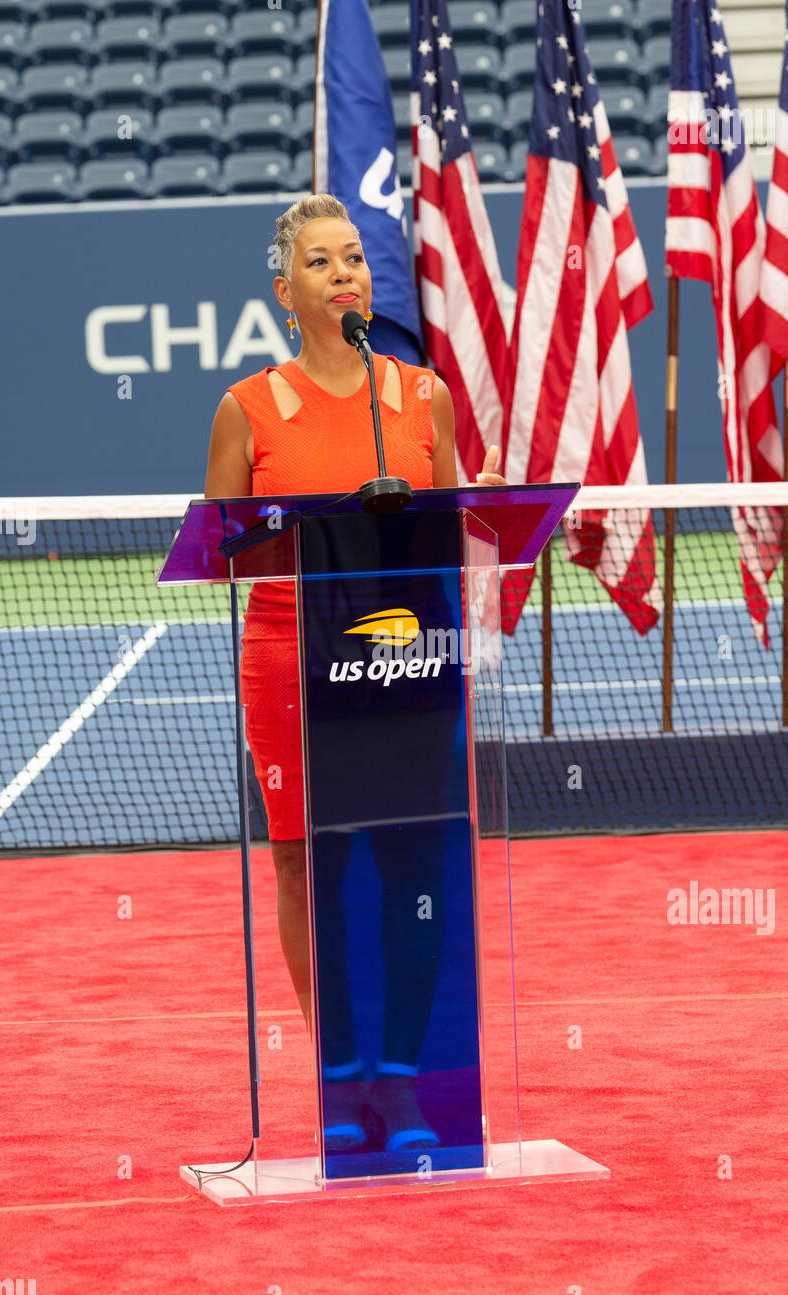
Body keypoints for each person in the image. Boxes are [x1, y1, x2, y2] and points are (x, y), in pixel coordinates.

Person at [205, 193, 503, 1151]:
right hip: (292, 658)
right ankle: (339, 1074)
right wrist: (315, 535)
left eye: (356, 260)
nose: (346, 275)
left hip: (406, 656)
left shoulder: (423, 397)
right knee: (308, 858)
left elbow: (456, 519)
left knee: (414, 858)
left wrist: (482, 507)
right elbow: (224, 554)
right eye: (323, 262)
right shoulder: (246, 410)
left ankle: (406, 1081)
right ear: (287, 290)